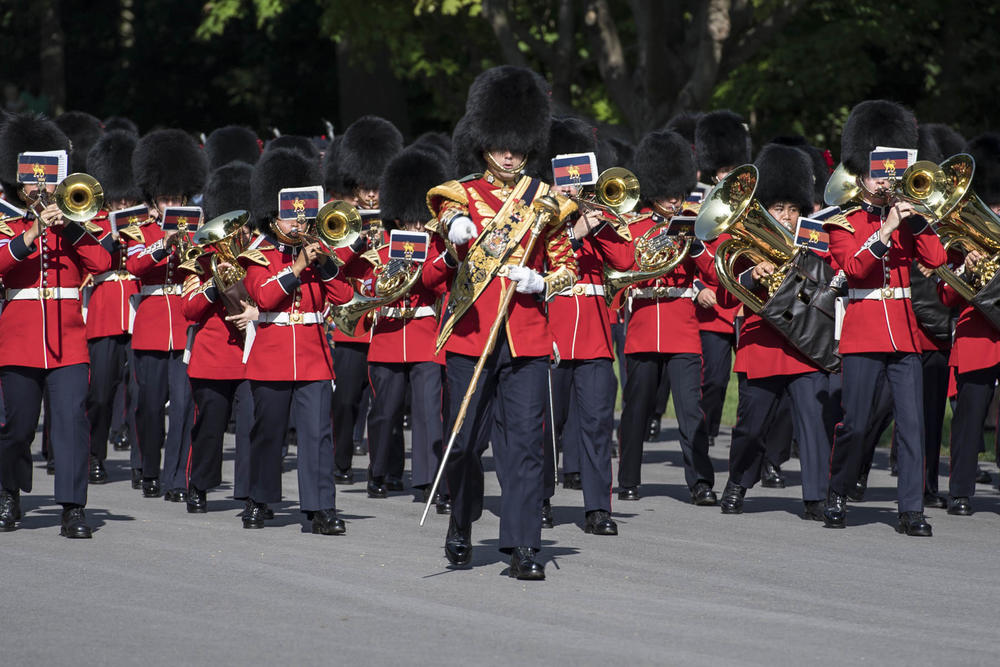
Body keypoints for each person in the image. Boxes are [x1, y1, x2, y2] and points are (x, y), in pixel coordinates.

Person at [424, 66, 577, 580]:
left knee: (526, 445)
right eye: (500, 145)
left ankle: (523, 544)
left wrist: (540, 282)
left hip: (526, 337)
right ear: (484, 141)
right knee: (465, 441)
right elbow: (443, 231)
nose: (509, 155)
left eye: (517, 146)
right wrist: (455, 235)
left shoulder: (546, 200)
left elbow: (567, 268)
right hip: (472, 334)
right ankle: (462, 521)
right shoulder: (458, 196)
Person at [822, 100, 947, 536]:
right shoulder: (842, 222)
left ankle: (911, 509)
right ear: (861, 174)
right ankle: (838, 491)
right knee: (855, 424)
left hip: (904, 335)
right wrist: (886, 230)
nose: (884, 181)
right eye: (877, 172)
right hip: (863, 333)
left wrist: (918, 220)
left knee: (912, 426)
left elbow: (936, 258)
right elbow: (854, 270)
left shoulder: (910, 218)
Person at [0, 113, 112, 537]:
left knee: (70, 424)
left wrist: (74, 231)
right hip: (19, 340)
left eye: (48, 181)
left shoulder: (76, 223)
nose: (41, 189)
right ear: (20, 184)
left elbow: (102, 264)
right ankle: (9, 492)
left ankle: (72, 507)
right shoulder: (7, 223)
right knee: (17, 428)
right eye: (34, 183)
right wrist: (31, 233)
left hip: (68, 341)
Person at [716, 143, 836, 520]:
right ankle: (738, 482)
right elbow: (724, 293)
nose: (786, 215)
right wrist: (752, 274)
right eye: (779, 207)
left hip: (806, 345)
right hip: (763, 344)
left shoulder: (816, 239)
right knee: (751, 427)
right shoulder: (745, 242)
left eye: (793, 208)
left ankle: (816, 496)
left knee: (814, 424)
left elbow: (832, 281)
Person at [238, 147, 354, 534]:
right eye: (291, 215)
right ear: (273, 217)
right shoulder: (258, 253)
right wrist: (297, 267)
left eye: (303, 214)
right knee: (268, 433)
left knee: (318, 435)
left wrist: (324, 264)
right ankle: (258, 498)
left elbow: (344, 296)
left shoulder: (321, 251)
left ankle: (320, 508)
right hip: (272, 353)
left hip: (313, 354)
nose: (299, 222)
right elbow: (264, 296)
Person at [616, 129, 717, 505]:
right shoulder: (635, 227)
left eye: (678, 191)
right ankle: (628, 479)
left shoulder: (693, 225)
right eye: (667, 191)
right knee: (637, 409)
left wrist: (696, 246)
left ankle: (700, 481)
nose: (674, 199)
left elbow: (711, 270)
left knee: (691, 411)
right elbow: (625, 263)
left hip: (681, 325)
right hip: (644, 324)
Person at [546, 116, 633, 535]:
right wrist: (574, 230)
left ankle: (598, 508)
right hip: (552, 334)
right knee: (545, 426)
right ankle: (539, 498)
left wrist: (600, 222)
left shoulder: (599, 221)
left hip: (595, 338)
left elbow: (626, 260)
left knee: (598, 425)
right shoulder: (539, 219)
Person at [360, 146, 447, 503]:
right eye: (411, 220)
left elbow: (442, 285)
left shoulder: (436, 252)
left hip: (425, 336)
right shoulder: (380, 255)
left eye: (420, 219)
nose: (417, 226)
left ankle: (427, 479)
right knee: (385, 411)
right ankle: (380, 471)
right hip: (388, 338)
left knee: (428, 412)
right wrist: (387, 275)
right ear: (397, 219)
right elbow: (366, 289)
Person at [125, 129, 206, 501]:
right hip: (152, 324)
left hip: (185, 323)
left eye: (176, 197)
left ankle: (177, 478)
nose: (171, 203)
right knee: (149, 406)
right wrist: (163, 243)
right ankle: (147, 468)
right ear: (153, 198)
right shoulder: (140, 230)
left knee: (185, 405)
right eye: (165, 197)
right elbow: (135, 266)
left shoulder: (198, 230)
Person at [325, 116, 403, 484]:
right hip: (352, 323)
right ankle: (340, 461)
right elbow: (330, 265)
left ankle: (386, 469)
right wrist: (355, 245)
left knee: (388, 404)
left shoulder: (397, 221)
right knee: (345, 400)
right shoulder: (341, 221)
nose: (371, 195)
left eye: (376, 187)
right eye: (364, 188)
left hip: (387, 320)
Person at [180, 161, 256, 513]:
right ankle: (199, 485)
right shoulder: (200, 260)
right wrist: (214, 282)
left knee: (252, 428)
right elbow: (189, 309)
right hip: (213, 357)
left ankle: (251, 493)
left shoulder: (258, 257)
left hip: (253, 355)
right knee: (209, 427)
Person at [939, 132, 1000, 516]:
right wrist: (967, 268)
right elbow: (947, 296)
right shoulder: (964, 239)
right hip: (978, 335)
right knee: (969, 417)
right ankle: (960, 490)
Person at [83, 129, 142, 485]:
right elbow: (92, 263)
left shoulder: (146, 222)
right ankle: (94, 454)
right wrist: (111, 238)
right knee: (101, 394)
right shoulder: (94, 223)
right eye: (118, 198)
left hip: (139, 310)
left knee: (140, 392)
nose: (123, 203)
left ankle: (141, 463)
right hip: (105, 312)